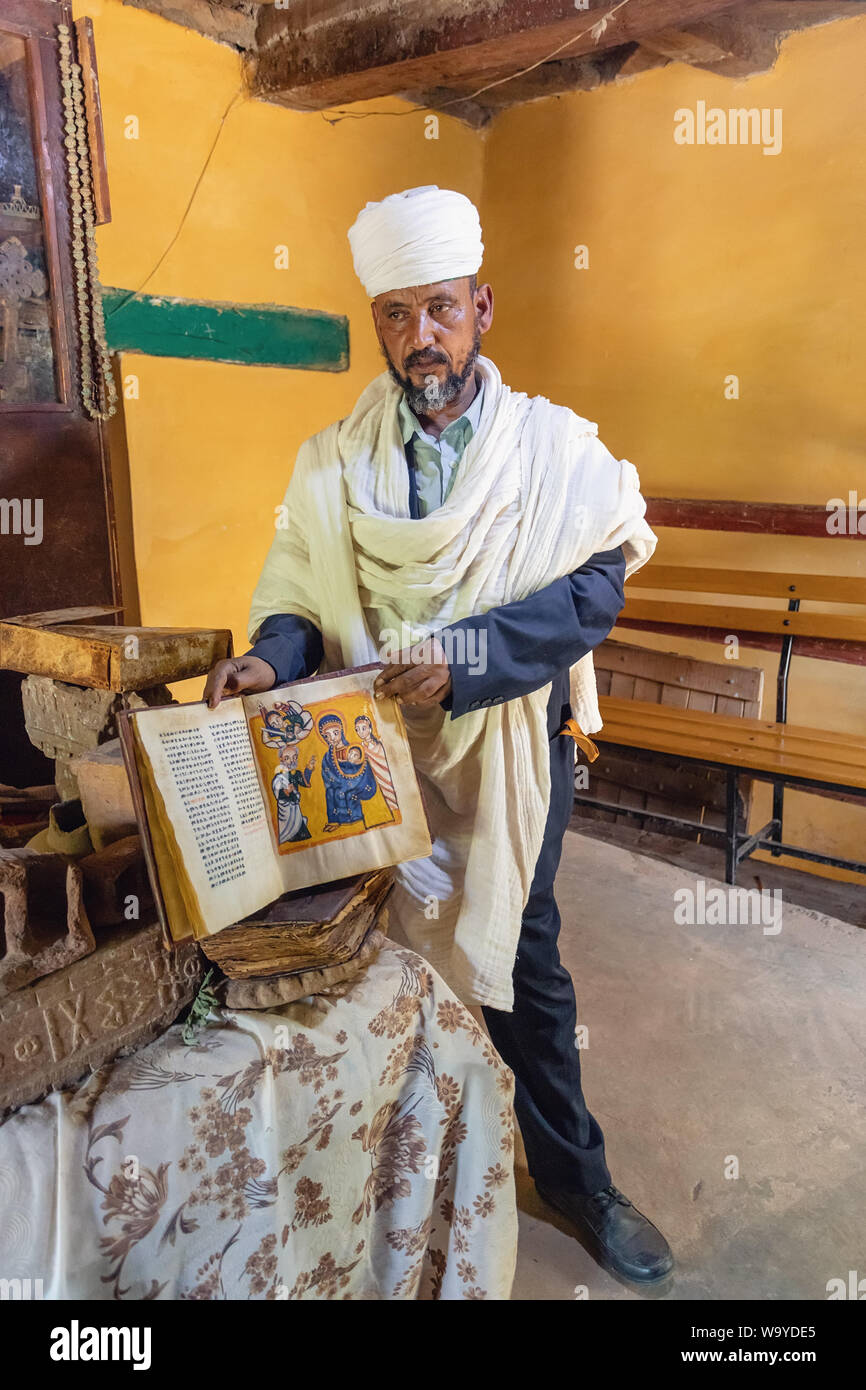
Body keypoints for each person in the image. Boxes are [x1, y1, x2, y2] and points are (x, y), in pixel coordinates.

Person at [204, 185, 673, 1286]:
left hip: (511, 740)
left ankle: (571, 1177)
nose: (422, 338)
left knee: (523, 950)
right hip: (380, 748)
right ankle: (395, 1158)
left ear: (482, 310)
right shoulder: (329, 461)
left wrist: (464, 659)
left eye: (442, 311)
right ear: (378, 323)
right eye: (397, 315)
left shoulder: (551, 450)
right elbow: (299, 593)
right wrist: (271, 656)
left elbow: (593, 592)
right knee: (375, 952)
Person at [271, 742, 315, 844]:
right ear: (281, 759)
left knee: (299, 827)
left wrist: (309, 769)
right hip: (286, 809)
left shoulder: (297, 773)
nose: (291, 761)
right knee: (287, 827)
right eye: (287, 758)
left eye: (294, 757)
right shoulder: (280, 776)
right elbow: (277, 791)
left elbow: (305, 782)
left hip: (295, 808)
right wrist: (286, 791)